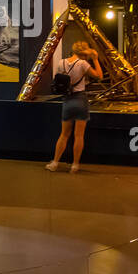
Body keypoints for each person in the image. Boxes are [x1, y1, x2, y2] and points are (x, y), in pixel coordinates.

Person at [46, 41, 103, 174]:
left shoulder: (61, 63)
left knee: (64, 135)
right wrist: (95, 59)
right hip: (80, 100)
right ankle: (75, 165)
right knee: (79, 136)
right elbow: (99, 76)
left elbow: (57, 79)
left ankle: (55, 163)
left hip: (67, 100)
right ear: (85, 52)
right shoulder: (83, 64)